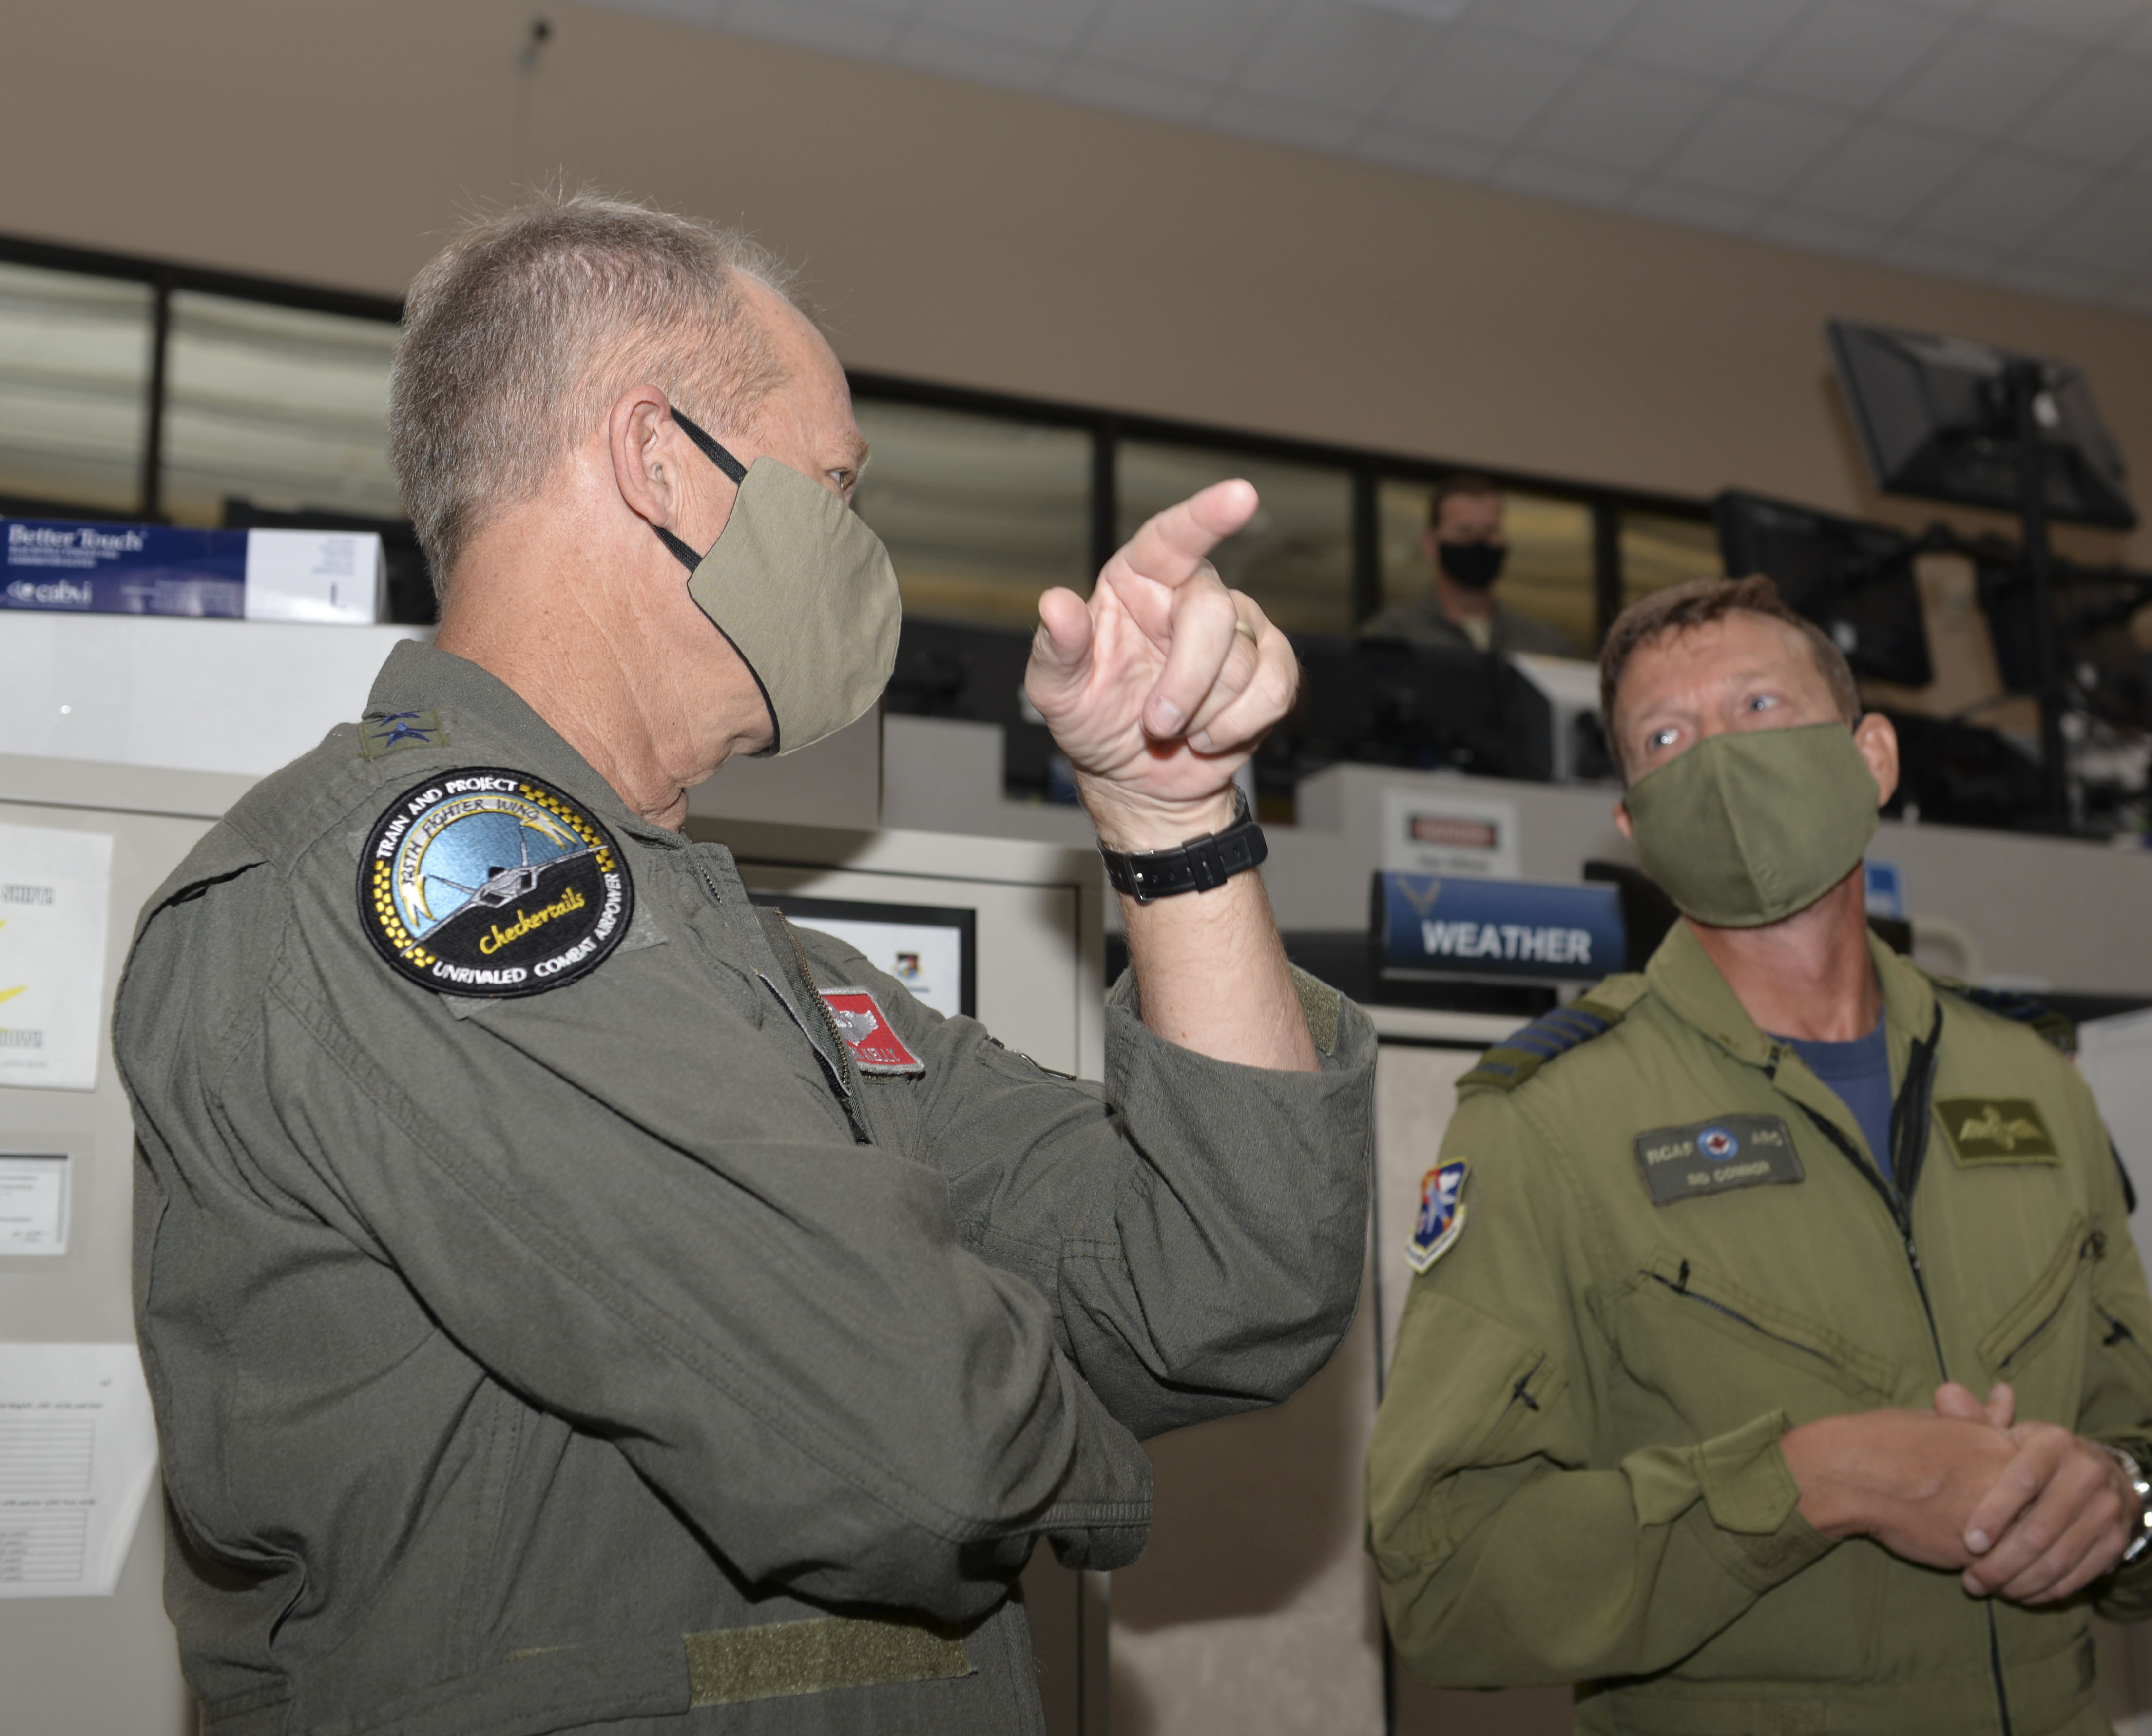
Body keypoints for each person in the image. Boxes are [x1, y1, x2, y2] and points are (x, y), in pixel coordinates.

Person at [114, 195, 1375, 1736]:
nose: (856, 549)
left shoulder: (782, 977)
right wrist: (1036, 1386)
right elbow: (911, 1434)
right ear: (659, 461)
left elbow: (1229, 1280)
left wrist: (1176, 819)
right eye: (833, 489)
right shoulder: (433, 875)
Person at [1366, 576, 2152, 1735]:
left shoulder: (2026, 1078)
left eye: (1759, 704)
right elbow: (1443, 1578)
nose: (1714, 759)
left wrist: (2121, 1503)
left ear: (1870, 755)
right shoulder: (1547, 1117)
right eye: (1663, 739)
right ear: (1632, 821)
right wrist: (1812, 1479)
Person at [1357, 472, 1576, 657]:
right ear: (1431, 545)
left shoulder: (1545, 647)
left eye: (1491, 531)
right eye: (1465, 531)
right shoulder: (1389, 639)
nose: (1480, 544)